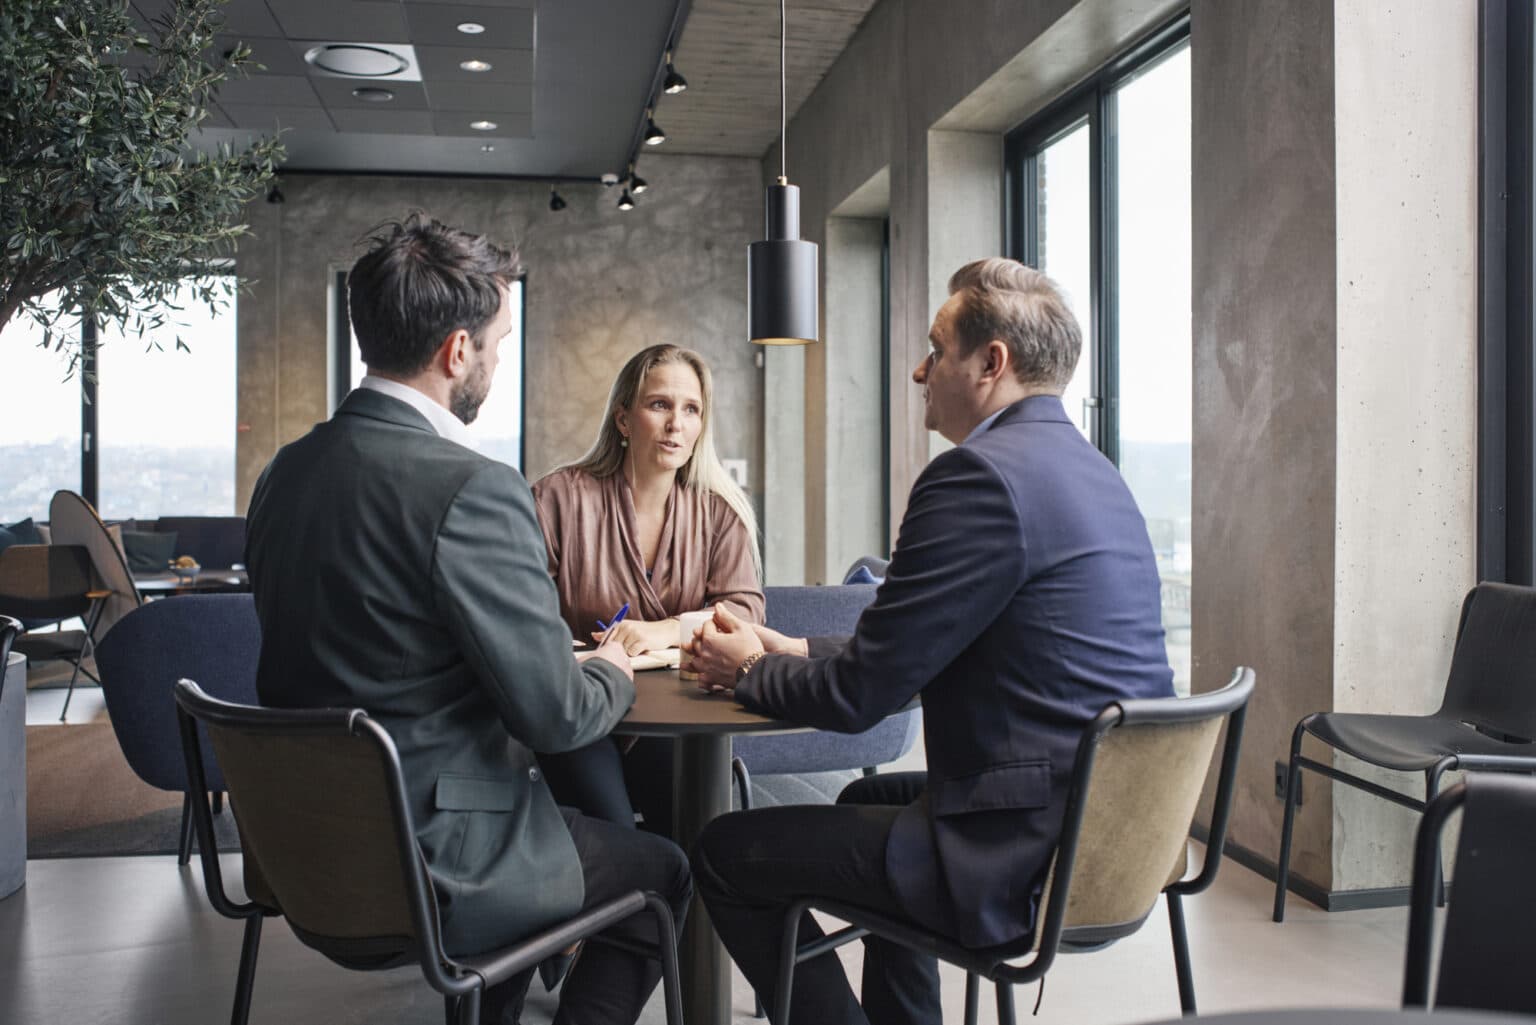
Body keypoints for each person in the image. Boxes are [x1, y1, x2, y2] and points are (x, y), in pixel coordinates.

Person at [684, 257, 1176, 1025]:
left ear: (992, 363)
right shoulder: (1094, 473)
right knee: (865, 794)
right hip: (1105, 827)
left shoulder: (976, 477)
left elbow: (860, 699)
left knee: (721, 852)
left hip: (1018, 851)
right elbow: (930, 643)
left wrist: (748, 668)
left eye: (935, 348)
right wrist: (793, 648)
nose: (918, 369)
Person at [245, 213, 691, 1025]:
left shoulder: (285, 473)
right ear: (458, 352)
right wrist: (614, 671)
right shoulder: (471, 488)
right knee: (662, 867)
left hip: (301, 852)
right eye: (499, 343)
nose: (496, 360)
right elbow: (557, 714)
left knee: (560, 850)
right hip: (432, 860)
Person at [532, 343, 765, 833]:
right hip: (582, 712)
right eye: (659, 404)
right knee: (620, 838)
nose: (676, 424)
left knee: (698, 835)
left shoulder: (720, 512)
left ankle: (685, 910)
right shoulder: (559, 497)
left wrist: (666, 630)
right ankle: (631, 909)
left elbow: (745, 615)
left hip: (679, 722)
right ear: (623, 419)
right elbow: (520, 610)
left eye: (691, 409)